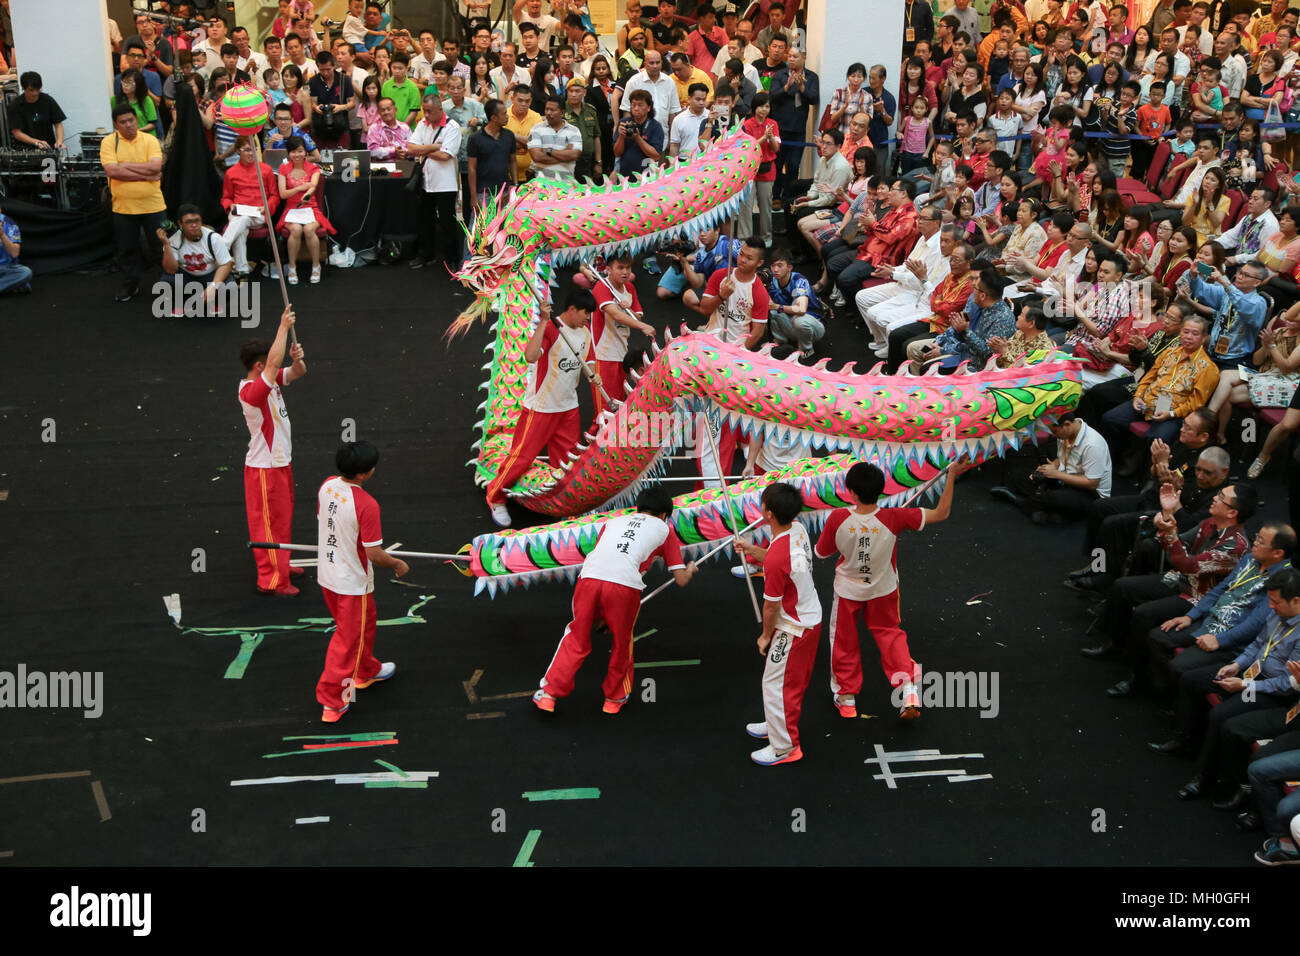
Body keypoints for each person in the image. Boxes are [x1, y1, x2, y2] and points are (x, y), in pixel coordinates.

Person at [810, 459, 967, 720]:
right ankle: (909, 692)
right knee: (890, 635)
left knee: (843, 642)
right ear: (881, 490)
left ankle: (847, 699)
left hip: (848, 591)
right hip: (884, 590)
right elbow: (941, 513)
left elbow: (820, 552)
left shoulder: (838, 518)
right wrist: (950, 476)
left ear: (852, 492)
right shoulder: (894, 517)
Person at [532, 484, 696, 715]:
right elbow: (680, 579)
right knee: (622, 642)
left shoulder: (615, 521)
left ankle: (548, 695)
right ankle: (614, 699)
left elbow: (606, 556)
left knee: (576, 637)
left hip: (588, 579)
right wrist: (690, 568)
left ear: (638, 508)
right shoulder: (664, 529)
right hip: (624, 586)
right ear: (664, 515)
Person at [1155, 567, 1300, 803]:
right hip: (1248, 672)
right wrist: (1236, 664)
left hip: (1267, 690)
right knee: (1193, 680)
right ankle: (1186, 740)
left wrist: (1244, 685)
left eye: (1276, 602)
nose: (1270, 607)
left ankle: (1205, 778)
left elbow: (1287, 684)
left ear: (1296, 600)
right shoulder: (1277, 613)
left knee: (1222, 716)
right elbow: (1257, 644)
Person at [486, 288, 598, 528]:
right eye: (585, 313)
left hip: (569, 407)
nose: (587, 319)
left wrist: (593, 374)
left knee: (566, 463)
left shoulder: (585, 333)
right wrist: (544, 321)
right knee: (522, 457)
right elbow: (529, 355)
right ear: (571, 310)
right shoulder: (550, 328)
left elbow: (588, 361)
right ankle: (495, 497)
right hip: (541, 408)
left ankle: (565, 506)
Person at [316, 440, 409, 723]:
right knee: (347, 640)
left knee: (362, 628)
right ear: (365, 473)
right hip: (351, 584)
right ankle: (333, 703)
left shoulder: (327, 485)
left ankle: (365, 671)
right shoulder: (367, 505)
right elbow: (374, 553)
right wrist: (397, 564)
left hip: (328, 576)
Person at [733, 482, 822, 766]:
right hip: (805, 618)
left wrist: (764, 636)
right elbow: (774, 559)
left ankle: (785, 747)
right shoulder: (797, 529)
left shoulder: (778, 555)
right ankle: (776, 725)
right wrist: (750, 548)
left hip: (795, 627)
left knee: (778, 685)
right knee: (779, 683)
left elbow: (770, 606)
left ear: (768, 514)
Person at [240, 307, 307, 597]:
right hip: (264, 469)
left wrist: (297, 359)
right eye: (267, 363)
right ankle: (272, 580)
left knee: (282, 518)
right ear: (258, 366)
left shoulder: (268, 380)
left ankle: (282, 562)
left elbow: (297, 372)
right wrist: (282, 327)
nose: (273, 365)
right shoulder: (251, 390)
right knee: (267, 525)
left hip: (280, 463)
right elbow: (271, 368)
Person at [101, 104, 165, 304]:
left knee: (160, 248)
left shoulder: (150, 139)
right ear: (116, 124)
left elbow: (156, 166)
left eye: (131, 120)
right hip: (123, 206)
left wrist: (126, 165)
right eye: (123, 122)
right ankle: (130, 284)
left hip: (153, 205)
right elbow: (113, 171)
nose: (128, 125)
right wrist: (147, 175)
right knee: (127, 249)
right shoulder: (109, 142)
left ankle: (168, 285)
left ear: (137, 120)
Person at [588, 253, 653, 414]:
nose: (625, 272)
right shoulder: (602, 286)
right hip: (602, 353)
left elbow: (637, 314)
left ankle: (616, 437)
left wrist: (628, 309)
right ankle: (599, 437)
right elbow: (615, 314)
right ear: (608, 269)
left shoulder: (630, 288)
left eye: (628, 268)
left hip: (621, 351)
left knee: (618, 400)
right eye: (620, 268)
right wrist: (642, 326)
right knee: (605, 405)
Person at [407, 94, 463, 269]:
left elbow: (446, 155)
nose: (426, 114)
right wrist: (434, 147)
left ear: (440, 109)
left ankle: (452, 259)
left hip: (445, 182)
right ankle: (426, 254)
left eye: (429, 111)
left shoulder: (452, 127)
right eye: (424, 111)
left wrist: (422, 151)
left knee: (447, 222)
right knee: (424, 220)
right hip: (426, 181)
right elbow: (411, 148)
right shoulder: (422, 124)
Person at [275, 136, 335, 285]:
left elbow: (313, 186)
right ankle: (292, 267)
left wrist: (307, 193)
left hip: (310, 207)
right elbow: (283, 194)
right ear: (289, 153)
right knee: (295, 230)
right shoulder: (283, 169)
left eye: (300, 151)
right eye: (293, 152)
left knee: (309, 230)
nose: (297, 155)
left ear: (305, 152)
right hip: (291, 208)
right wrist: (299, 188)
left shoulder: (313, 168)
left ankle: (316, 266)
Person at [157, 204, 234, 316]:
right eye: (188, 222)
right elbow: (170, 269)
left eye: (197, 221)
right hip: (188, 277)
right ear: (180, 223)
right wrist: (166, 245)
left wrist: (214, 286)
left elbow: (226, 264)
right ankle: (183, 303)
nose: (194, 225)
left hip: (209, 275)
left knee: (229, 286)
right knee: (166, 282)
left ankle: (214, 302)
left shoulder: (213, 238)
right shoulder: (174, 240)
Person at [220, 138, 278, 279]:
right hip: (239, 211)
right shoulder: (231, 172)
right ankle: (242, 270)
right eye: (247, 150)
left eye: (254, 149)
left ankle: (220, 247)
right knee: (242, 224)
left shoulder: (266, 169)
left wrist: (266, 207)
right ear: (238, 151)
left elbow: (275, 196)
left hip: (259, 212)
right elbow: (226, 198)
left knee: (242, 219)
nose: (251, 153)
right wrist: (230, 205)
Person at [765, 248, 824, 360]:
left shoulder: (799, 280)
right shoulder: (772, 281)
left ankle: (806, 349)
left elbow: (801, 309)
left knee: (799, 319)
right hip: (792, 323)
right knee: (770, 310)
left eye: (780, 265)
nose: (775, 269)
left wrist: (777, 307)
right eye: (773, 266)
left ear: (789, 267)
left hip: (813, 325)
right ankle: (780, 341)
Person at [468, 98, 518, 209]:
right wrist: (473, 196)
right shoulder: (475, 139)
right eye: (504, 114)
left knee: (504, 225)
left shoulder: (509, 135)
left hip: (505, 191)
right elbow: (472, 168)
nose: (507, 116)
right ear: (494, 117)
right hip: (483, 192)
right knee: (483, 225)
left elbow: (513, 160)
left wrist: (515, 184)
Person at [527, 94, 583, 180]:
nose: (548, 113)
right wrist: (565, 156)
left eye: (552, 110)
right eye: (547, 109)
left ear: (562, 112)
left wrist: (549, 151)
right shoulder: (536, 129)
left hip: (566, 184)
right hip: (541, 184)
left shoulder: (574, 131)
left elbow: (574, 155)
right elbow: (537, 157)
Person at [613, 88, 665, 177]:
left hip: (646, 177)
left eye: (640, 105)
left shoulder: (655, 126)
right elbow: (617, 153)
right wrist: (621, 136)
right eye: (633, 105)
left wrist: (637, 138)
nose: (636, 108)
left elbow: (656, 156)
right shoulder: (624, 123)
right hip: (625, 176)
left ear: (649, 107)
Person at [8, 72, 66, 151]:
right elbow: (17, 133)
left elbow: (58, 124)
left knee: (52, 162)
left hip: (48, 148)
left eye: (38, 89)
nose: (35, 93)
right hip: (25, 150)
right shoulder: (15, 105)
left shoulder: (48, 100)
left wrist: (59, 141)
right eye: (31, 90)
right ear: (23, 88)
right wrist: (36, 142)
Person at [0, 204, 31, 295]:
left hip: (6, 268)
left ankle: (12, 285)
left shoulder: (9, 223)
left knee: (25, 272)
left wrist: (2, 235)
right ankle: (14, 286)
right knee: (23, 284)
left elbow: (14, 253)